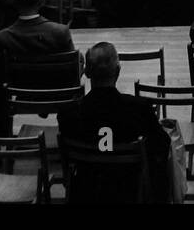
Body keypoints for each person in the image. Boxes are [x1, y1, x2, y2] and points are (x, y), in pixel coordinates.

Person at [58, 41, 171, 203]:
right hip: (127, 190)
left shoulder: (68, 113)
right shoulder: (138, 109)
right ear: (117, 71)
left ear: (87, 72)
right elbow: (162, 145)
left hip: (85, 191)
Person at [0, 0, 76, 81]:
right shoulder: (60, 32)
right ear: (41, 0)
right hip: (57, 93)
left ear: (14, 2)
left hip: (20, 93)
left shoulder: (3, 37)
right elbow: (74, 67)